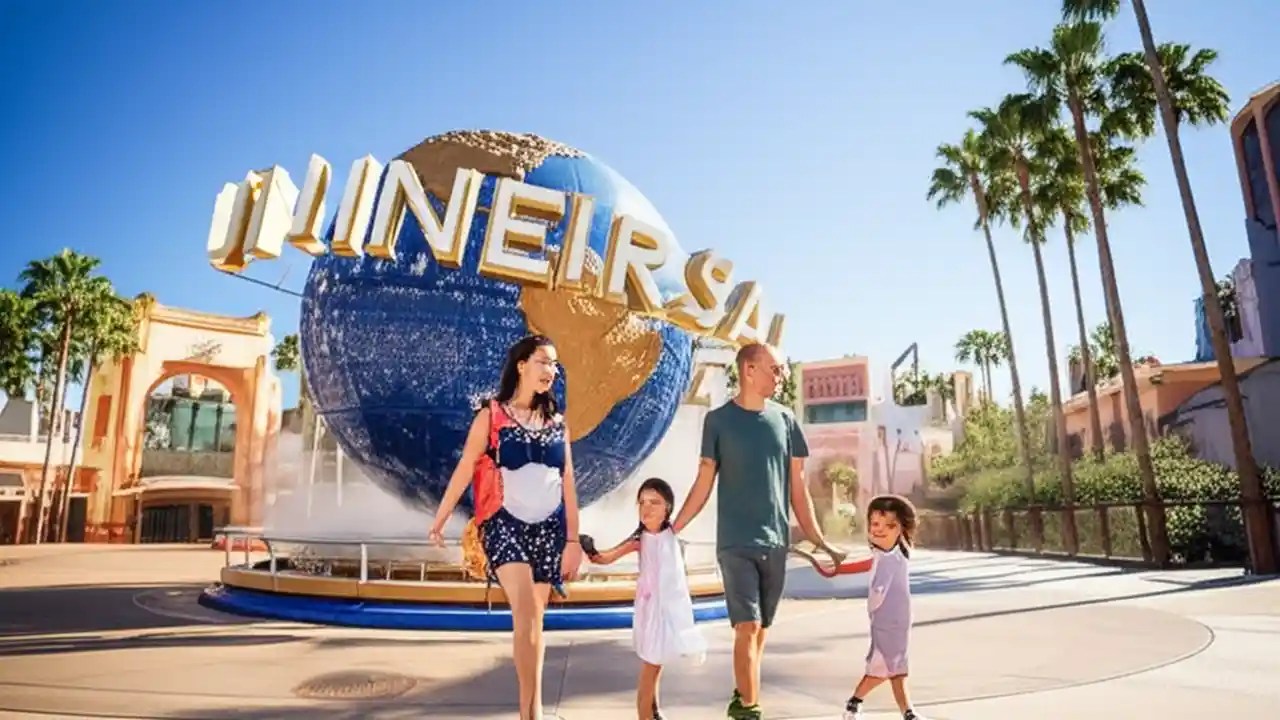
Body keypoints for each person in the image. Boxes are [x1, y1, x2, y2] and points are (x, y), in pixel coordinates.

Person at [670, 342, 841, 720]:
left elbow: (798, 487)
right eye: (775, 369)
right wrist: (673, 528)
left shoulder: (786, 421)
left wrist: (818, 538)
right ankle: (750, 710)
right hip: (735, 544)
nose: (781, 376)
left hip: (776, 542)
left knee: (760, 631)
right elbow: (704, 481)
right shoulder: (717, 421)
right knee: (747, 627)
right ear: (749, 370)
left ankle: (742, 695)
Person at [428, 334, 584, 720]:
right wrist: (441, 518)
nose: (551, 371)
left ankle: (534, 709)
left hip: (548, 528)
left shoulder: (557, 423)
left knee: (535, 621)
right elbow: (466, 467)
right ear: (522, 365)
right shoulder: (491, 415)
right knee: (526, 611)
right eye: (544, 361)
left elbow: (568, 481)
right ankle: (529, 714)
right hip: (504, 523)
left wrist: (573, 540)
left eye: (554, 364)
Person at [586, 477, 706, 720]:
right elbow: (606, 558)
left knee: (657, 662)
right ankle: (645, 714)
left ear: (667, 508)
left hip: (670, 609)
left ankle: (653, 709)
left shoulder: (672, 533)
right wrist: (589, 548)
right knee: (651, 665)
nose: (647, 508)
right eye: (642, 502)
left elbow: (695, 505)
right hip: (652, 612)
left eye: (654, 502)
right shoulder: (639, 540)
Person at [843, 494, 923, 720]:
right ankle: (857, 704)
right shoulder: (884, 555)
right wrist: (837, 569)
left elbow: (876, 582)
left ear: (901, 529)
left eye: (890, 525)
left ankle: (905, 712)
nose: (879, 530)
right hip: (885, 621)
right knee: (888, 668)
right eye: (875, 524)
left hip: (900, 620)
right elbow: (876, 588)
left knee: (895, 667)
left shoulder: (898, 552)